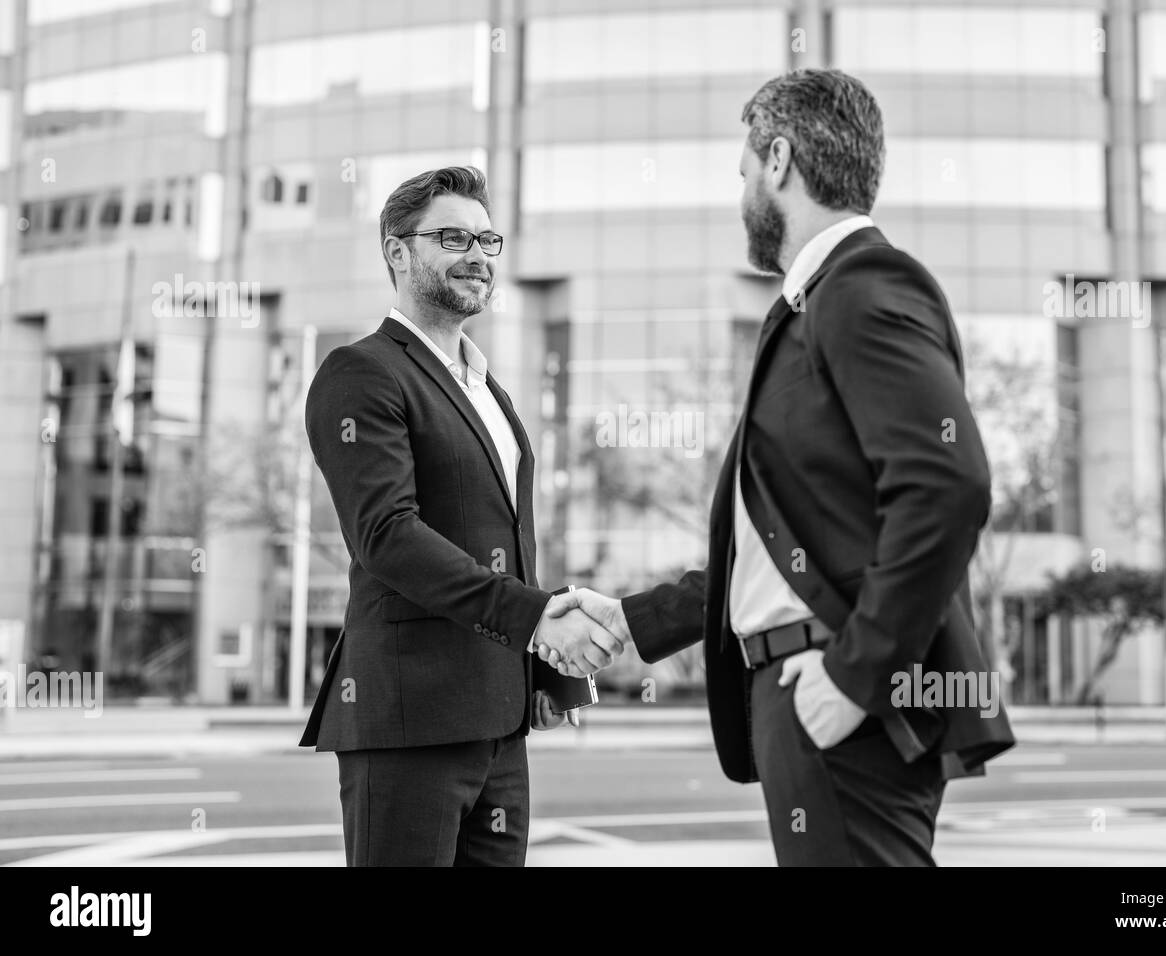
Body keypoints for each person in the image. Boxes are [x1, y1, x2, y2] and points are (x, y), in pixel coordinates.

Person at [541, 70, 1016, 866]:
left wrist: (857, 676)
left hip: (839, 698)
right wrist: (631, 620)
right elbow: (774, 551)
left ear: (780, 161)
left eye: (742, 173)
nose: (740, 201)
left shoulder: (864, 285)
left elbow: (948, 485)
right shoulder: (815, 305)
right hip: (799, 694)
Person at [300, 166, 623, 866]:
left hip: (499, 724)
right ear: (397, 252)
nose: (477, 255)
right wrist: (535, 616)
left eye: (486, 239)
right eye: (452, 237)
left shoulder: (491, 392)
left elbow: (500, 541)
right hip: (409, 719)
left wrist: (536, 670)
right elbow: (388, 535)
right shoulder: (361, 373)